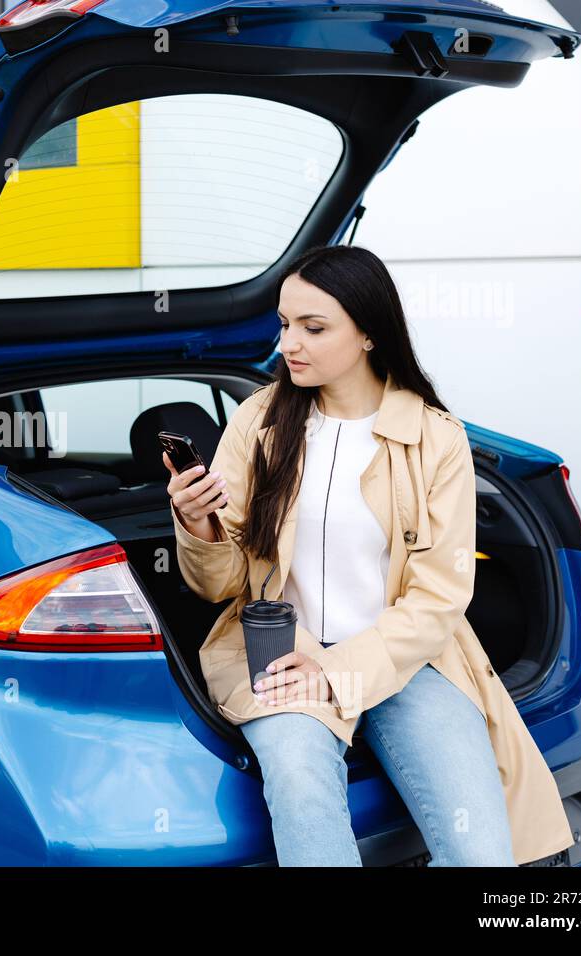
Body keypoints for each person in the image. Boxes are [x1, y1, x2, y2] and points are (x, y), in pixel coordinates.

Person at [164, 244, 524, 866]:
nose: (288, 345)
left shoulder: (436, 438)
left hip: (406, 660)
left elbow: (440, 595)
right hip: (281, 655)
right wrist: (199, 524)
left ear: (368, 334)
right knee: (303, 791)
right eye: (283, 324)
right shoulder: (259, 421)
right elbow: (219, 585)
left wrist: (338, 671)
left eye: (313, 327)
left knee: (482, 853)